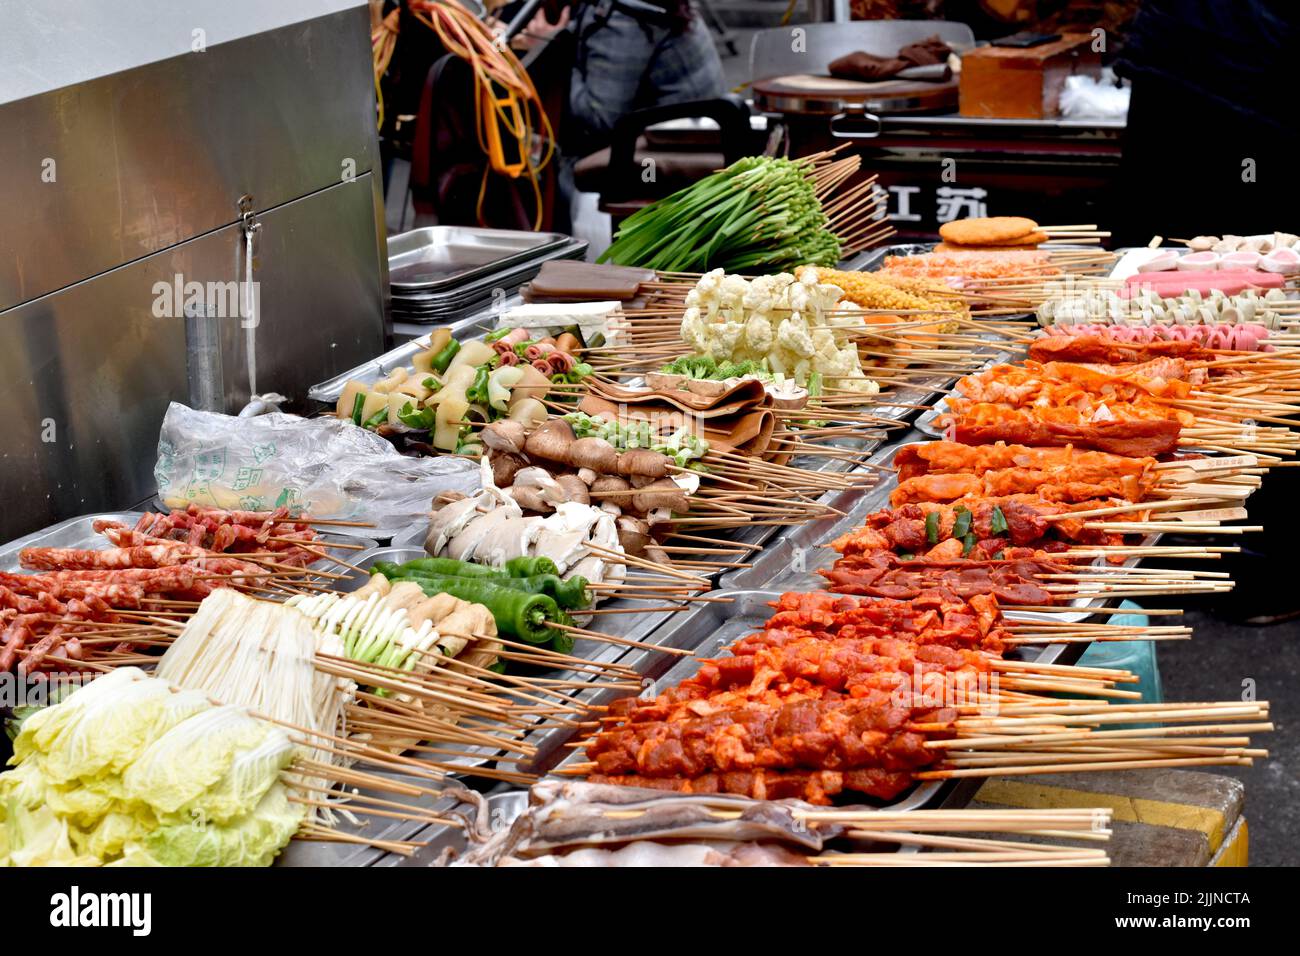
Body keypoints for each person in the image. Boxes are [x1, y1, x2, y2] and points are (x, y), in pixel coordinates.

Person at [516, 0, 725, 158]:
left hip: (664, 159)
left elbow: (599, 119)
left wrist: (549, 48)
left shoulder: (625, 18)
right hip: (698, 141)